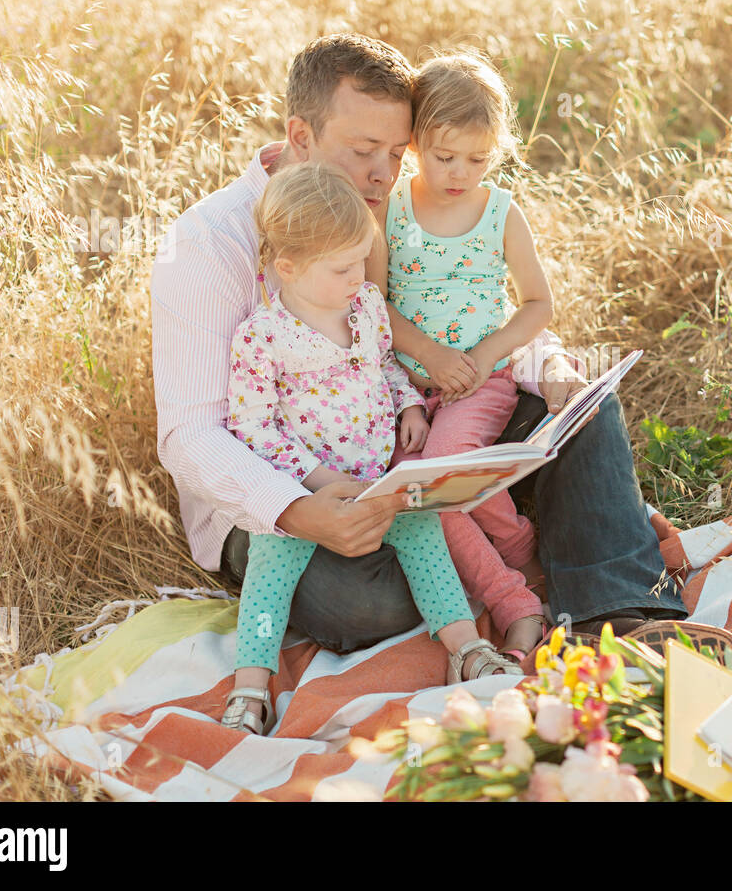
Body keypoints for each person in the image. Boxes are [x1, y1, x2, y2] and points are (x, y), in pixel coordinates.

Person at [151, 33, 698, 681]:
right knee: (359, 605)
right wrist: (301, 510)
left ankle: (624, 616)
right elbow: (190, 435)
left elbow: (467, 317)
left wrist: (547, 364)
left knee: (581, 402)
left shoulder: (389, 210)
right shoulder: (205, 243)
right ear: (300, 137)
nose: (384, 175)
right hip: (280, 499)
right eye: (363, 153)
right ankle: (534, 538)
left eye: (396, 152)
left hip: (409, 448)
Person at [220, 162, 521, 733]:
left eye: (363, 259)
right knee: (269, 571)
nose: (361, 275)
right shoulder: (262, 337)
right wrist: (315, 483)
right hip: (305, 492)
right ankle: (252, 687)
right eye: (343, 267)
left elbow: (382, 368)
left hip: (379, 478)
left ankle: (465, 647)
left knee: (425, 534)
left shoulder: (363, 311)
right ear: (288, 267)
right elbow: (254, 427)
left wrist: (408, 402)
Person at [371, 49, 553, 661]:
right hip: (407, 382)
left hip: (480, 382)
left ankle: (523, 560)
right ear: (417, 143)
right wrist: (425, 360)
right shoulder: (392, 207)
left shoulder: (500, 212)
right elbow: (374, 302)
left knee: (446, 465)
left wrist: (479, 358)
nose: (460, 173)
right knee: (415, 491)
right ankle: (517, 589)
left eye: (478, 159)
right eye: (445, 157)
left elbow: (535, 305)